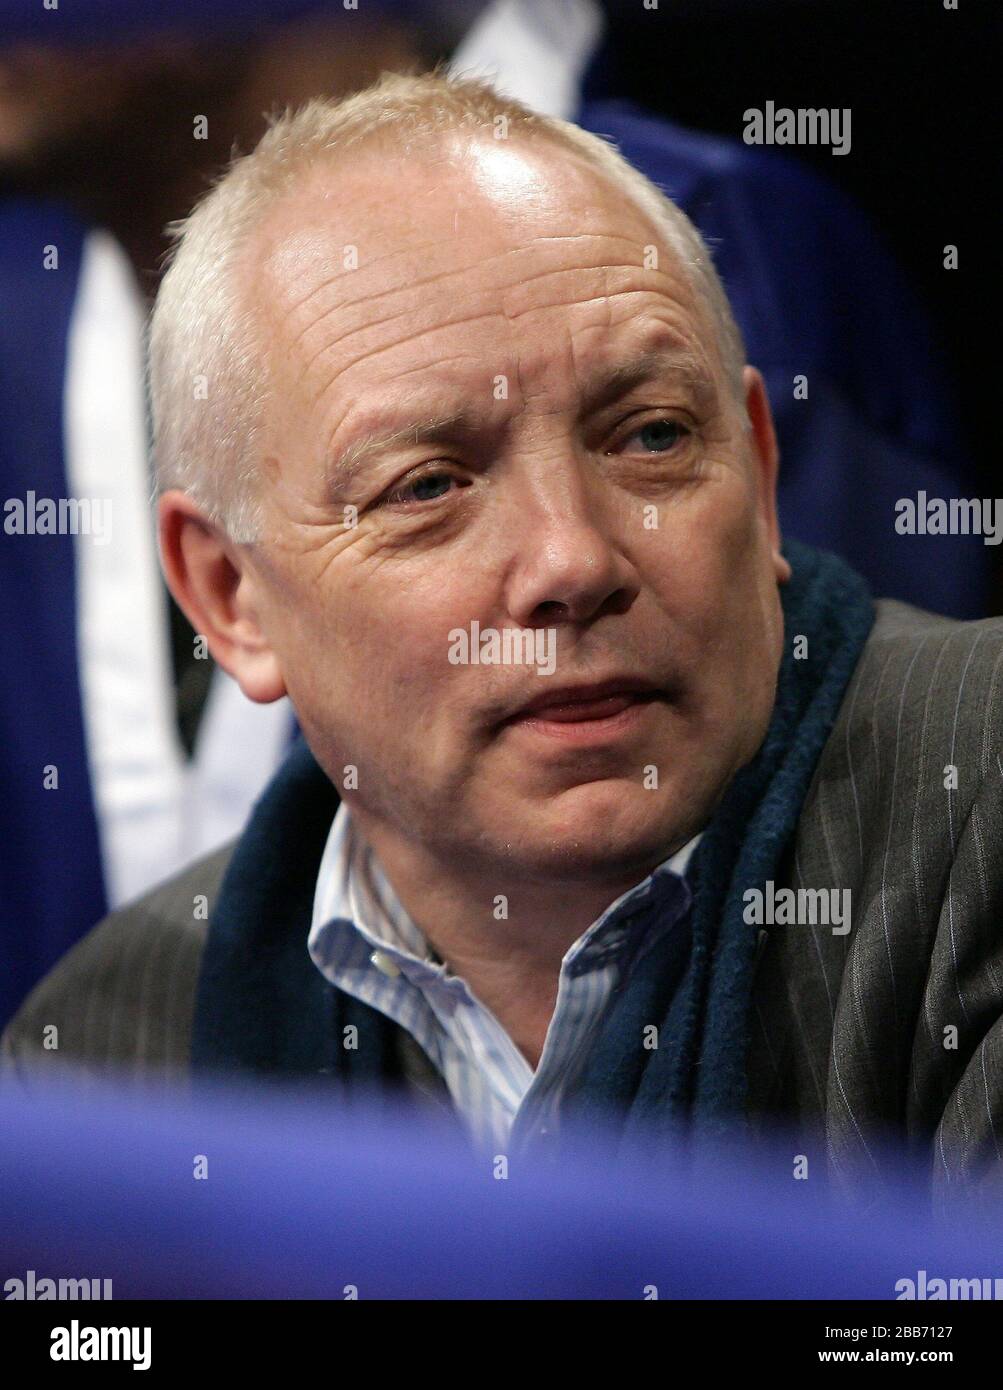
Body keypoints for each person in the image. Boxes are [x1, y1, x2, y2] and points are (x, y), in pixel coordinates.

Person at [5, 71, 1001, 1213]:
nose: (573, 561)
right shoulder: (97, 1067)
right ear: (231, 593)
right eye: (427, 484)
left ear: (762, 480)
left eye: (654, 436)